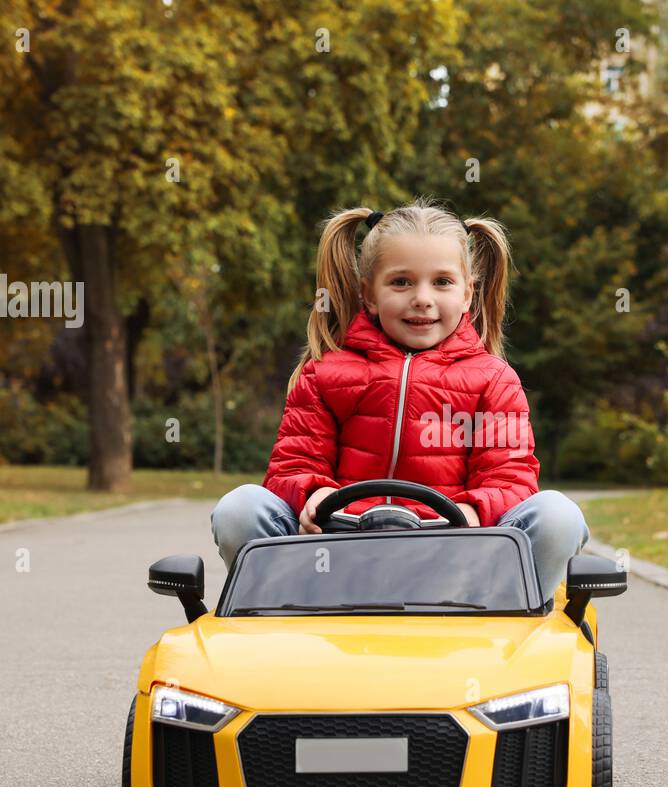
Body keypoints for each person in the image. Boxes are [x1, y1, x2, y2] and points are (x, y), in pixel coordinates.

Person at [210, 195, 590, 601]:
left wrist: (473, 513)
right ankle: (282, 611)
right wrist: (313, 493)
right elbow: (293, 464)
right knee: (241, 507)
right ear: (369, 294)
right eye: (401, 282)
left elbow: (509, 479)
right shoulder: (325, 373)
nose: (422, 298)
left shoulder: (494, 380)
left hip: (456, 559)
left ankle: (510, 617)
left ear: (467, 294)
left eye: (442, 282)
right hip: (337, 553)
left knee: (557, 515)